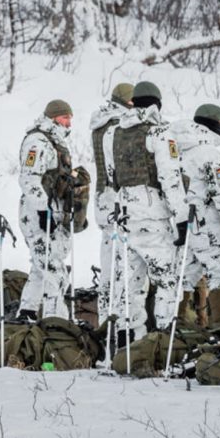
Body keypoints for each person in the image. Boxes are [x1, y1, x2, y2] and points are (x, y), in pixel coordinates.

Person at [107, 81, 184, 342]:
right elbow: (171, 179)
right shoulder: (160, 133)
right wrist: (182, 217)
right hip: (153, 211)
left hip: (125, 210)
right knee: (166, 279)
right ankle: (165, 340)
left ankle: (128, 342)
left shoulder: (114, 132)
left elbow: (112, 175)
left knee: (129, 281)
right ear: (155, 104)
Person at [176, 103, 220, 328]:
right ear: (214, 124)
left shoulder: (179, 151)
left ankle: (178, 331)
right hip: (209, 225)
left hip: (183, 224)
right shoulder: (212, 156)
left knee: (185, 275)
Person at [17, 99, 80, 321]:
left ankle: (27, 313)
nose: (69, 122)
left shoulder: (54, 141)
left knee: (41, 267)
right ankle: (57, 323)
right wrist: (43, 211)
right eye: (65, 117)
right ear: (53, 117)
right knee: (53, 271)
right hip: (37, 213)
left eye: (70, 118)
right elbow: (29, 179)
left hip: (53, 210)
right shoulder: (38, 142)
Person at [89, 83, 133, 320]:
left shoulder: (99, 123)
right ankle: (115, 317)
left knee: (108, 260)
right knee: (119, 264)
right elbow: (115, 167)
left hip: (102, 196)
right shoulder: (116, 126)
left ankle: (106, 313)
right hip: (114, 197)